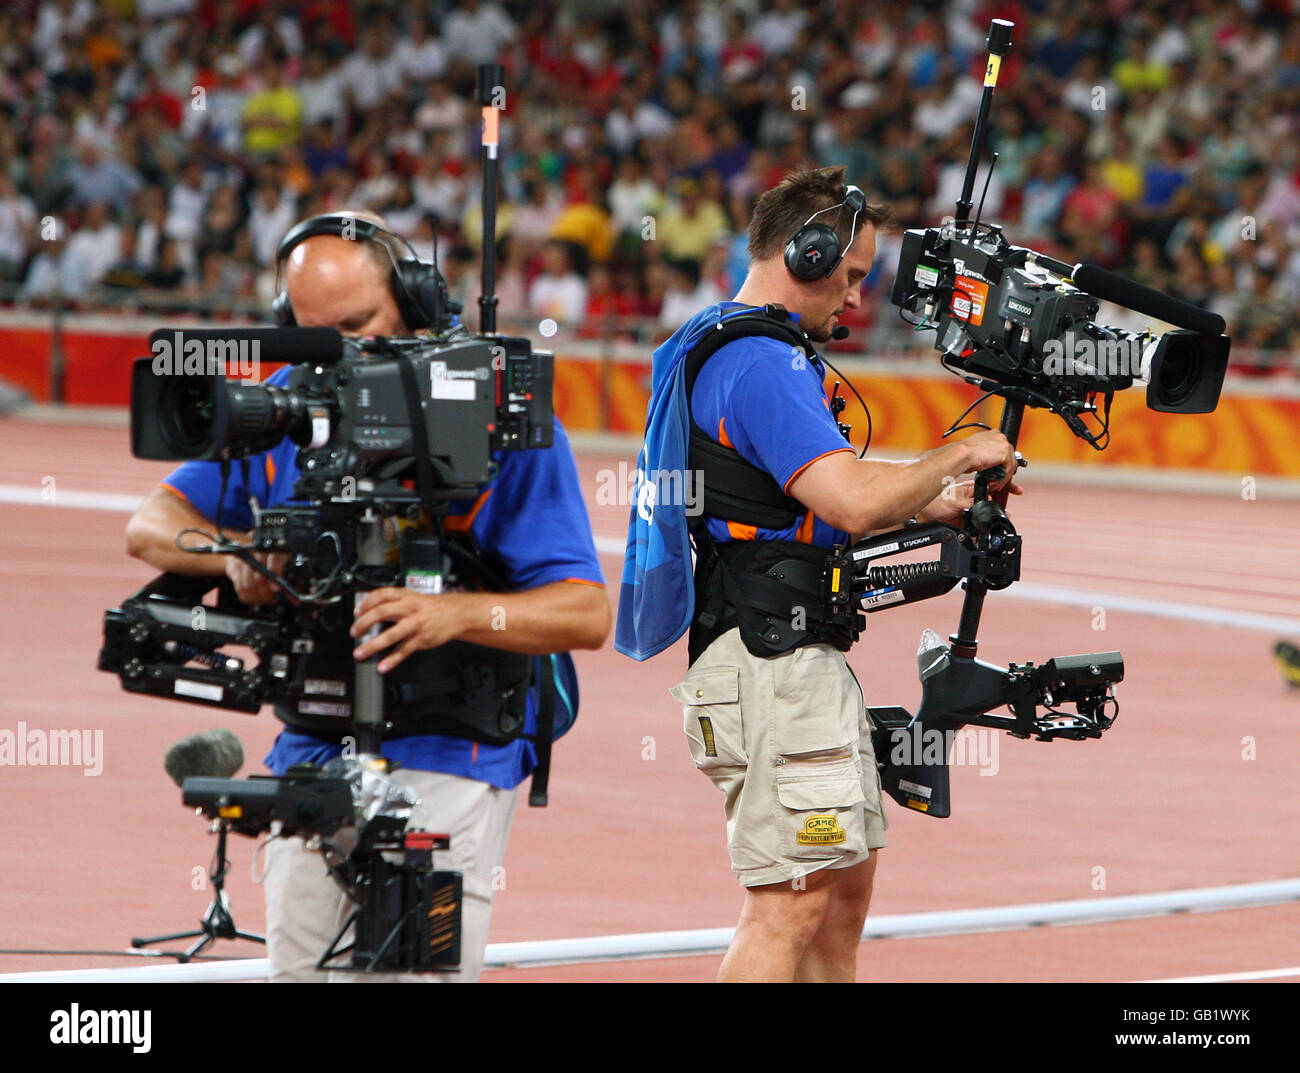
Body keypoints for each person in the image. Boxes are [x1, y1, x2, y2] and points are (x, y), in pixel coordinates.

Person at [125, 210, 610, 982]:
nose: (342, 352)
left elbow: (585, 612)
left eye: (359, 323)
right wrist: (234, 556)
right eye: (317, 333)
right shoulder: (284, 401)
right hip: (311, 742)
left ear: (415, 301)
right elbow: (150, 523)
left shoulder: (496, 414)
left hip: (451, 746)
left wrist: (450, 611)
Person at [617, 166, 1019, 982]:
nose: (856, 297)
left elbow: (806, 512)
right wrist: (961, 452)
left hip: (787, 658)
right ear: (805, 254)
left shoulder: (729, 344)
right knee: (793, 903)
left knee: (838, 904)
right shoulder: (762, 360)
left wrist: (931, 504)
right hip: (772, 663)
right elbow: (850, 499)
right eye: (851, 274)